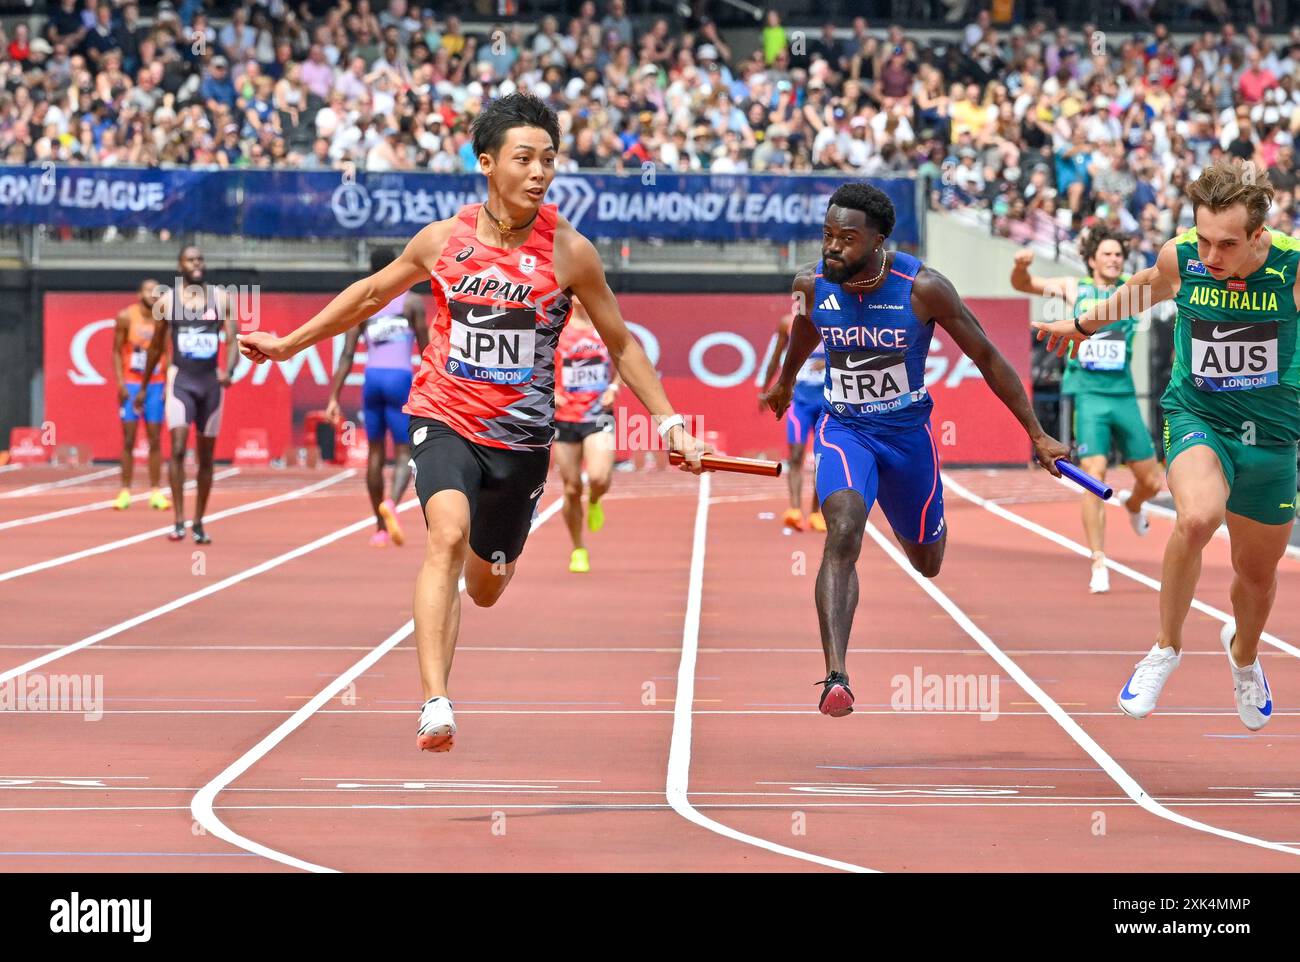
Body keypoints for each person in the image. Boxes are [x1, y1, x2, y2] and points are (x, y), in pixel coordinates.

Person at [238, 93, 708, 753]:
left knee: (486, 585)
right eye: (525, 159)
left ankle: (485, 564)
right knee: (445, 537)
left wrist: (669, 422)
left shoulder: (570, 252)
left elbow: (622, 343)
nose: (540, 172)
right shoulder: (443, 240)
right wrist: (290, 344)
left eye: (549, 159)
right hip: (444, 415)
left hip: (519, 445)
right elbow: (373, 292)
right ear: (488, 163)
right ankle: (435, 701)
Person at [762, 182, 1069, 718]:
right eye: (827, 235)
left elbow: (989, 358)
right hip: (845, 429)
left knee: (928, 562)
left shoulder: (923, 287)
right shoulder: (810, 283)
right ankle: (836, 677)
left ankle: (921, 527)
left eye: (847, 238)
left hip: (907, 438)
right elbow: (806, 329)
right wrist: (786, 380)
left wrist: (1036, 434)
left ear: (879, 240)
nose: (832, 247)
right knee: (842, 531)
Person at [1036, 160, 1298, 731]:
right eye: (1203, 238)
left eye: (1227, 244)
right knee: (1197, 519)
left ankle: (1245, 657)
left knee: (1256, 575)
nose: (1210, 255)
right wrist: (1080, 326)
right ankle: (1165, 648)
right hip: (1199, 414)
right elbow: (1139, 292)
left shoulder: (1292, 268)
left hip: (1274, 436)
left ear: (1259, 235)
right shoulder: (1182, 258)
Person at [1011, 228, 1165, 593]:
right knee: (1094, 474)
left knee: (1151, 482)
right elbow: (1024, 284)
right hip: (1090, 396)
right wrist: (1020, 267)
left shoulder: (1135, 288)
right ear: (1092, 259)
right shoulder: (1073, 287)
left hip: (1123, 395)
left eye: (1118, 254)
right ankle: (1099, 559)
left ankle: (1133, 506)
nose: (1113, 260)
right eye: (1107, 254)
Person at [325, 247, 429, 548]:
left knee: (374, 454)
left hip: (372, 380)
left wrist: (333, 397)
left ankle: (380, 528)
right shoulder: (411, 302)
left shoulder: (364, 305)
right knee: (404, 453)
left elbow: (346, 355)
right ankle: (392, 504)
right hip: (400, 380)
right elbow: (426, 350)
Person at [135, 246, 238, 544]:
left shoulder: (221, 298)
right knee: (178, 448)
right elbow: (156, 347)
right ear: (180, 266)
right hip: (181, 382)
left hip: (210, 384)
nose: (196, 263)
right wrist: (143, 387)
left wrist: (228, 370)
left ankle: (199, 522)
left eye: (200, 259)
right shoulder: (168, 301)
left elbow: (233, 340)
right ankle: (179, 520)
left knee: (206, 458)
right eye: (190, 260)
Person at [552, 296, 621, 573]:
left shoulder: (605, 325)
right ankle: (578, 549)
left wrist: (614, 388)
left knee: (599, 477)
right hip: (564, 417)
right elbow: (533, 363)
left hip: (597, 414)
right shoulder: (558, 327)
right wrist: (550, 391)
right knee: (570, 489)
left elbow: (629, 359)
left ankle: (595, 499)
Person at [760, 307, 827, 532]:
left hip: (827, 402)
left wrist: (827, 362)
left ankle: (816, 512)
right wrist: (765, 388)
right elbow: (775, 357)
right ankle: (795, 510)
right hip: (800, 402)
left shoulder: (833, 321)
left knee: (823, 458)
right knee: (796, 454)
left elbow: (852, 354)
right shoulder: (787, 324)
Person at [112, 278, 171, 512]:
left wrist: (167, 384)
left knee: (155, 439)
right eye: (148, 289)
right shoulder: (126, 316)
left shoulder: (163, 318)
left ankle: (156, 492)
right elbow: (116, 352)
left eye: (157, 290)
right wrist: (120, 383)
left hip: (155, 384)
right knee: (128, 439)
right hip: (132, 383)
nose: (153, 293)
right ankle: (125, 491)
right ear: (139, 294)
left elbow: (167, 352)